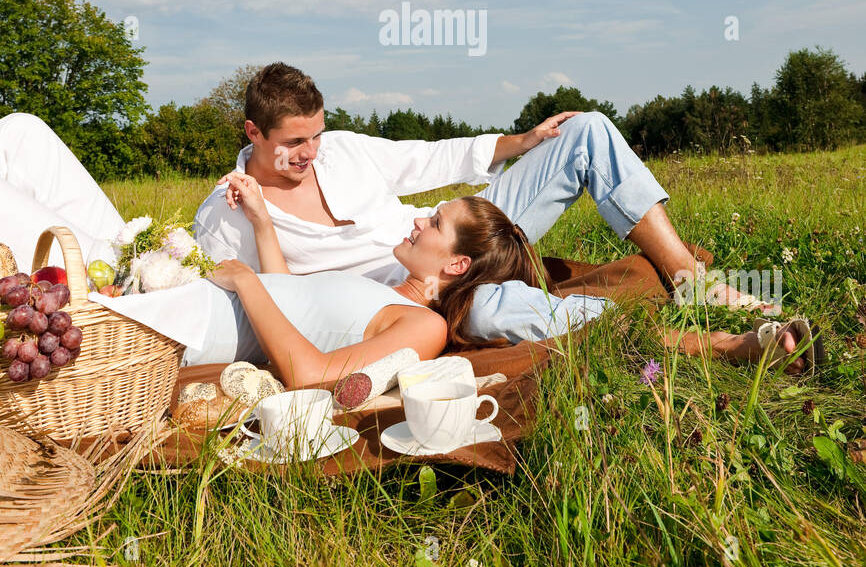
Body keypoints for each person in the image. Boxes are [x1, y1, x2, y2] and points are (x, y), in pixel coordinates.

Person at [0, 111, 813, 375]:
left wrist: (514, 142)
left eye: (315, 139)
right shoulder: (225, 208)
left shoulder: (352, 156)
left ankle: (693, 286)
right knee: (19, 133)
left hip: (450, 251)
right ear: (254, 138)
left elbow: (425, 162)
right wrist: (255, 233)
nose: (310, 154)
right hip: (427, 275)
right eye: (293, 145)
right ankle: (711, 342)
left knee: (590, 130)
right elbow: (267, 285)